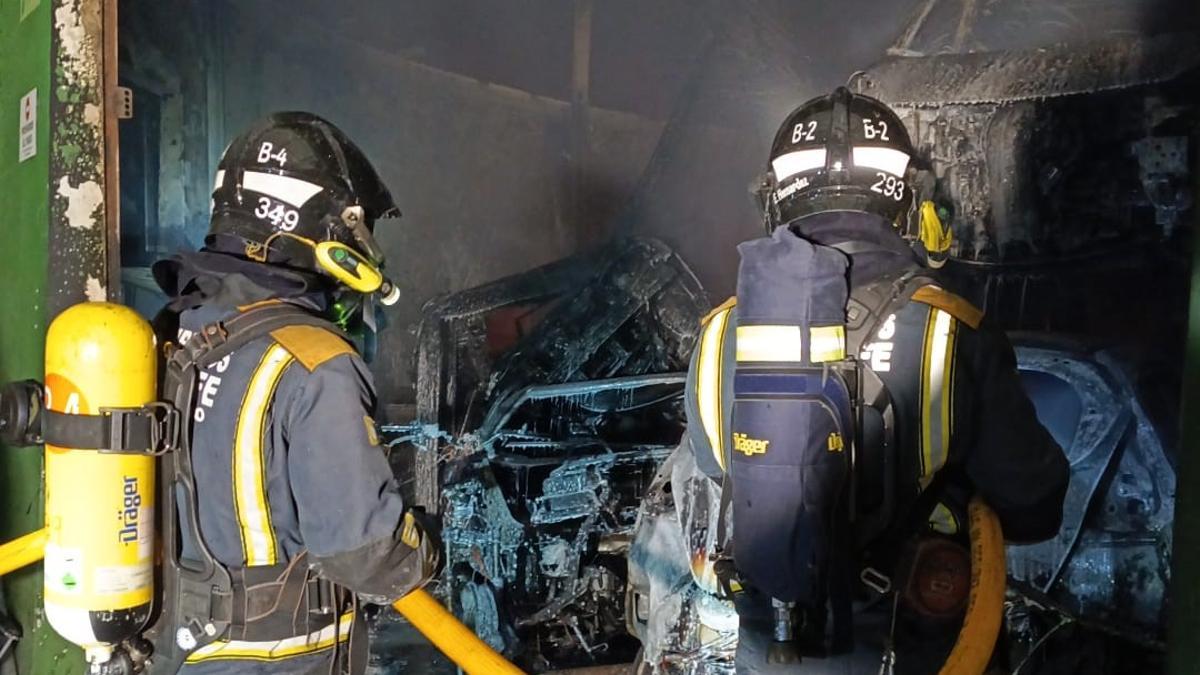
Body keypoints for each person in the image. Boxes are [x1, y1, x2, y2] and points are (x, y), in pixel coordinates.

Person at [644, 88, 1070, 673]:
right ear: (905, 197)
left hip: (772, 653)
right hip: (918, 649)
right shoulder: (949, 327)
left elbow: (719, 473)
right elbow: (1032, 502)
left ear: (776, 199)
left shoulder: (720, 331)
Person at [147, 111, 439, 675]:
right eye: (357, 228)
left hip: (179, 650)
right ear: (322, 226)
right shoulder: (315, 359)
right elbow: (367, 555)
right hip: (272, 658)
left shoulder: (175, 328)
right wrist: (426, 545)